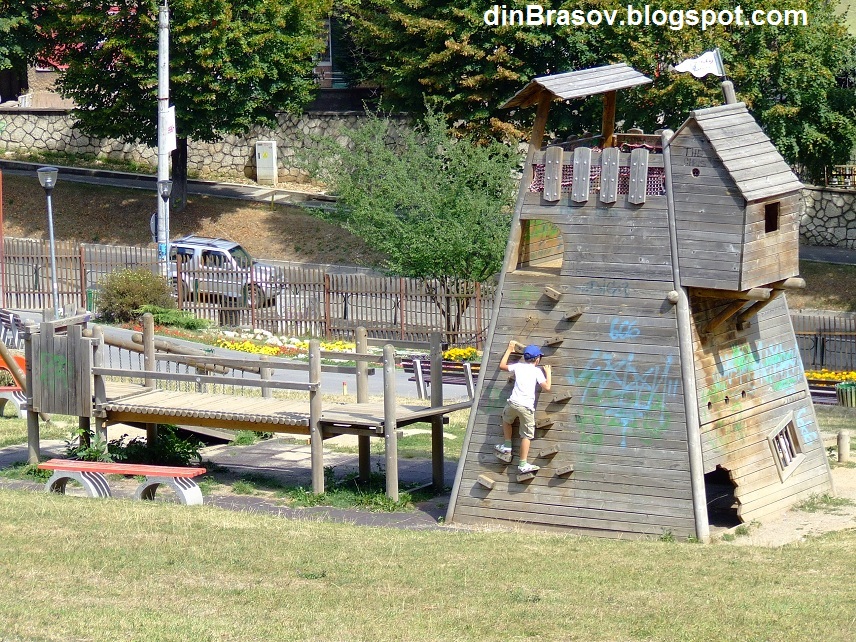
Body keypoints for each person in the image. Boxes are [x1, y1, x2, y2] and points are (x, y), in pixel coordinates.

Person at [495, 340, 551, 474]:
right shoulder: (537, 371)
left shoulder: (518, 366)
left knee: (506, 420)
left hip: (513, 403)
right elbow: (547, 387)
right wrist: (548, 372)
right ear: (537, 359)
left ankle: (507, 446)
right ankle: (522, 463)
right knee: (526, 435)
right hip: (526, 407)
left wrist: (509, 349)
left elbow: (502, 366)